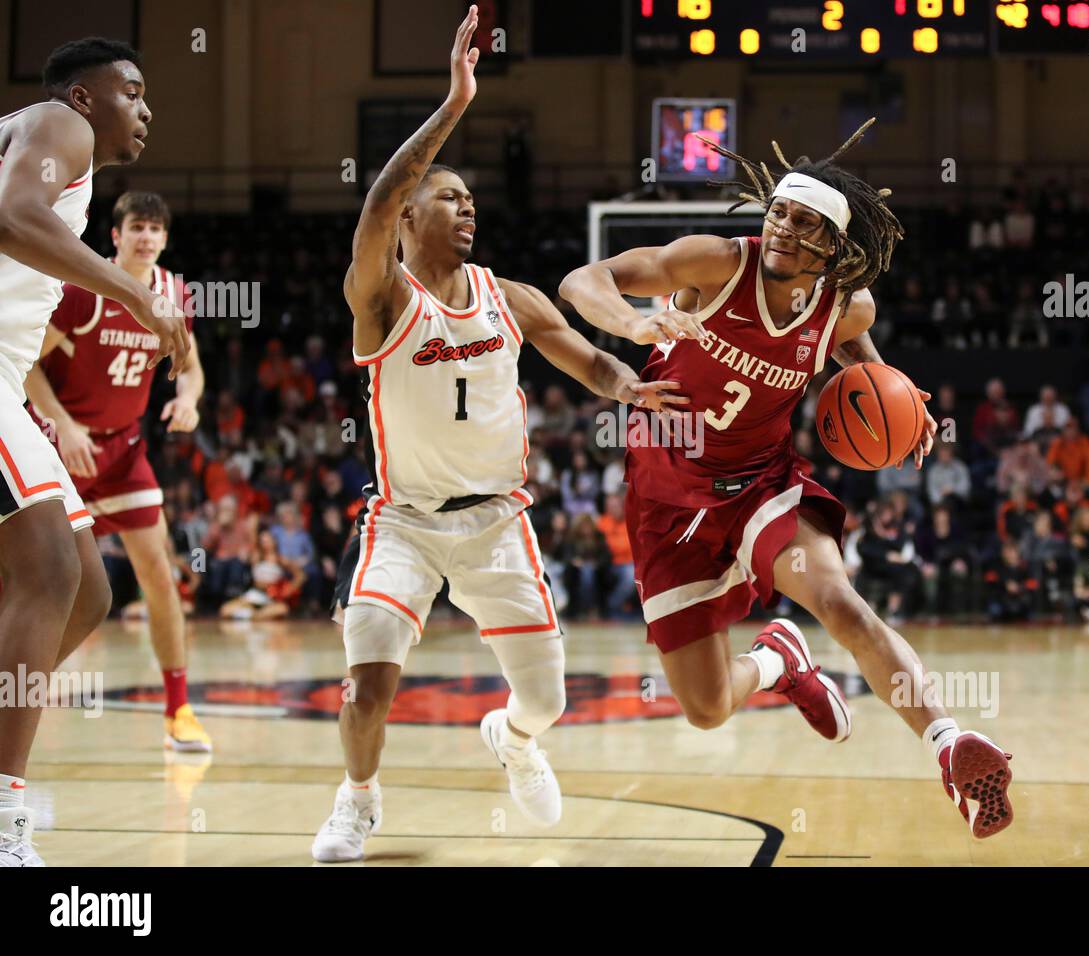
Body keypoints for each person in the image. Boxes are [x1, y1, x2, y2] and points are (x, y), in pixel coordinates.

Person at [561, 118, 1015, 838]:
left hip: (761, 484)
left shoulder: (845, 305)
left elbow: (853, 348)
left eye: (804, 223)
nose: (783, 229)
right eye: (779, 213)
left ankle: (948, 742)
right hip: (665, 500)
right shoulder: (715, 262)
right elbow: (583, 279)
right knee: (706, 708)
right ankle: (777, 660)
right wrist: (633, 324)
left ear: (833, 248)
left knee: (840, 602)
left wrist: (887, 386)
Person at [311, 7, 682, 863]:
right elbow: (374, 201)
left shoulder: (508, 296)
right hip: (400, 522)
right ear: (409, 218)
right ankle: (357, 800)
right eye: (449, 196)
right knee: (367, 687)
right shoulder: (386, 298)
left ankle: (513, 740)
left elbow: (587, 360)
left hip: (496, 526)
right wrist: (454, 102)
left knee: (547, 700)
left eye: (472, 198)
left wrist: (632, 386)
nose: (467, 205)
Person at [0, 37, 189, 866]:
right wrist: (133, 292)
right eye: (133, 92)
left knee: (85, 594)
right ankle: (3, 815)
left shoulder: (45, 140)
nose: (146, 110)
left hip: (5, 385)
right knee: (50, 572)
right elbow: (12, 216)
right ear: (84, 97)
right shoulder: (57, 125)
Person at [25, 191, 210, 753]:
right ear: (116, 235)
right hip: (63, 446)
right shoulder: (84, 291)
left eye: (156, 229)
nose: (147, 238)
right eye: (137, 228)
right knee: (38, 581)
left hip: (126, 452)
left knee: (160, 573)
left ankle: (178, 710)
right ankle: (18, 690)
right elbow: (30, 367)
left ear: (165, 238)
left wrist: (189, 401)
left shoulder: (174, 294)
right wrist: (64, 425)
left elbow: (193, 369)